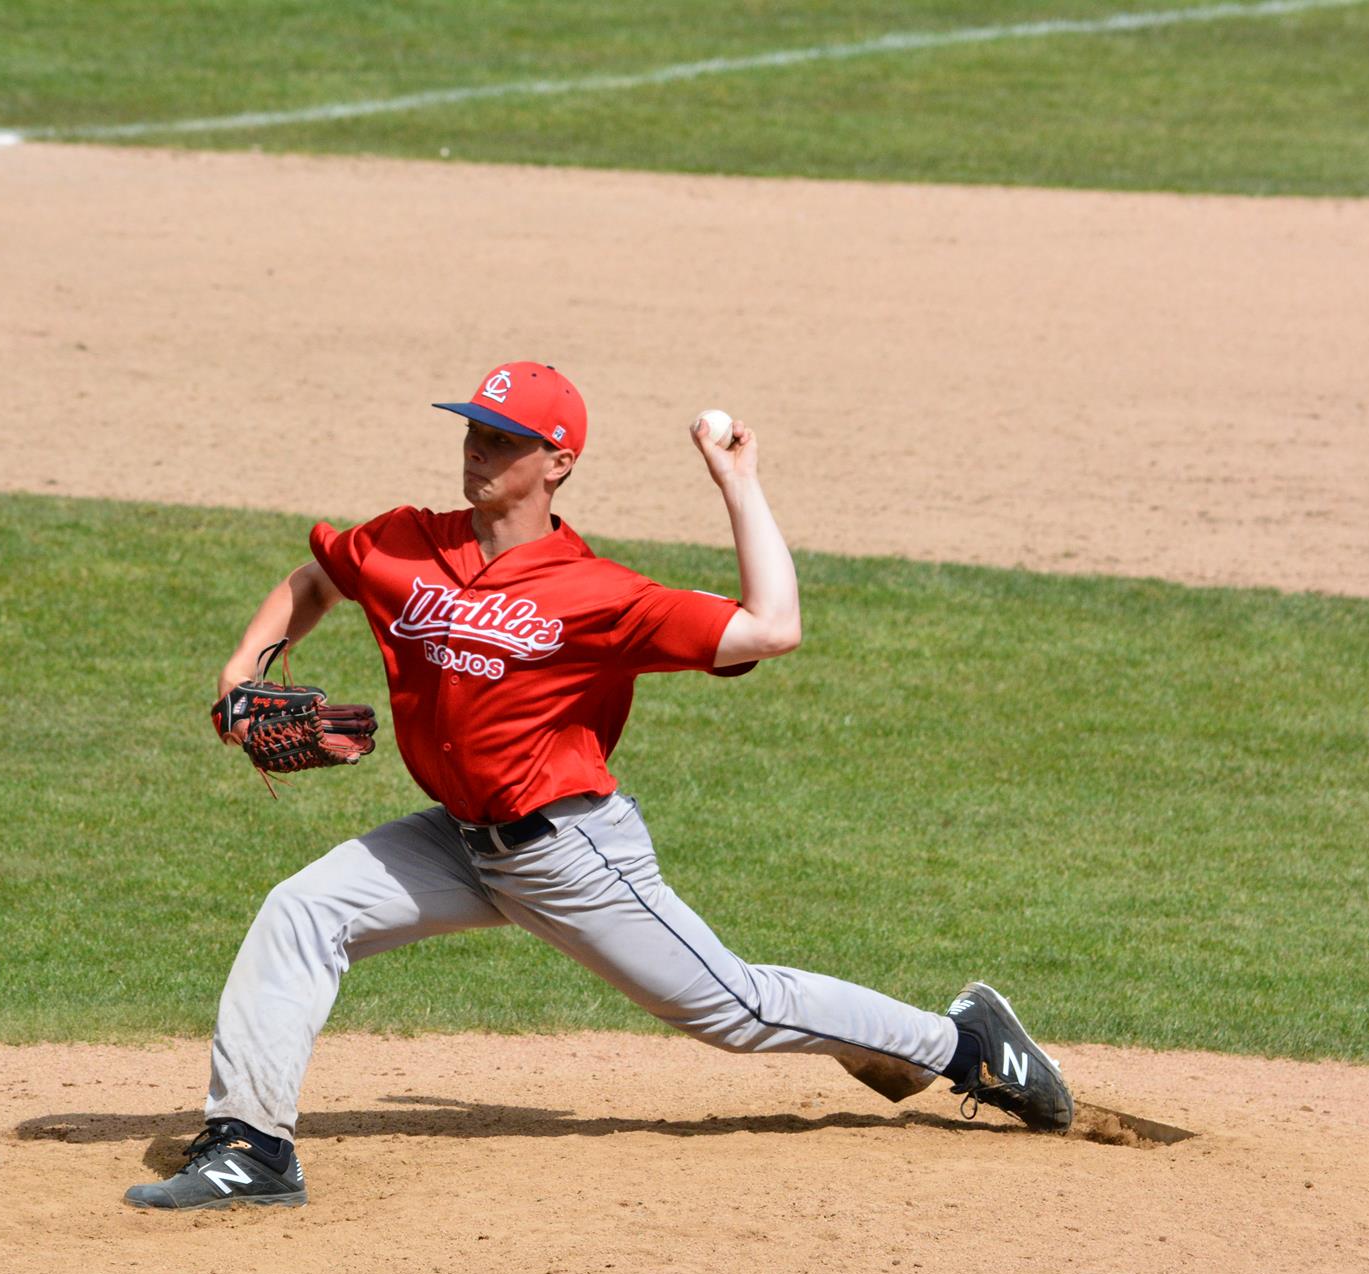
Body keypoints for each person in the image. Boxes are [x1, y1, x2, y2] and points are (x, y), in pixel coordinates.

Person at [125, 362, 1073, 1210]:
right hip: (454, 839)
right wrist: (242, 677)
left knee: (735, 1009)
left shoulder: (598, 593)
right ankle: (252, 1146)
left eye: (504, 438)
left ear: (559, 462)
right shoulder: (407, 541)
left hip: (570, 852)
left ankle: (967, 1043)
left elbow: (771, 626)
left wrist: (738, 485)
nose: (479, 449)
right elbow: (316, 579)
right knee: (300, 911)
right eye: (472, 429)